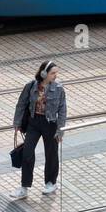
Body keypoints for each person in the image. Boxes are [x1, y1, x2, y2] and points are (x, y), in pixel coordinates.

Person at [10, 60, 67, 199]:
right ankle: (24, 186)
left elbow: (62, 110)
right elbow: (21, 104)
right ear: (43, 73)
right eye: (52, 73)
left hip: (50, 124)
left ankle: (50, 182)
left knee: (51, 154)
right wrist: (17, 123)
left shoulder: (59, 88)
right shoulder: (30, 86)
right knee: (27, 153)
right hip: (34, 123)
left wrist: (60, 131)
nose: (55, 75)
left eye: (56, 73)